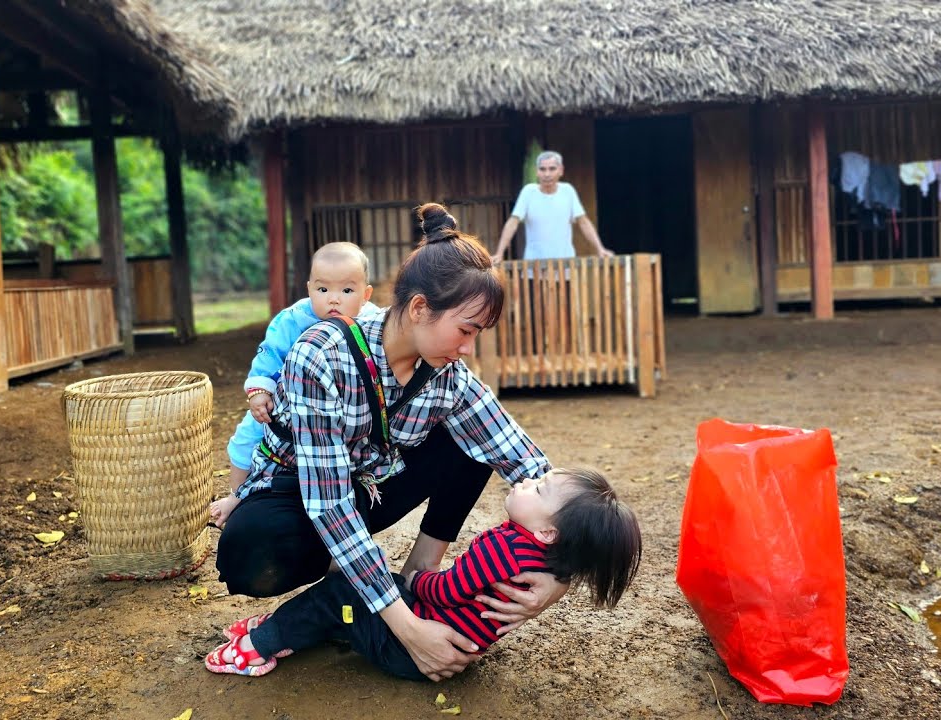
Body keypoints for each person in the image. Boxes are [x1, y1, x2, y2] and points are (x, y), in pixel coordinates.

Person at [214, 203, 570, 682]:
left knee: (473, 439)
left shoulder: (448, 376)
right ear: (420, 308)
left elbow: (528, 463)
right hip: (302, 494)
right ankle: (367, 591)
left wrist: (561, 574)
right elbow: (329, 503)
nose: (468, 348)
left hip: (370, 489)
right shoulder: (321, 355)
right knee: (251, 548)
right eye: (465, 330)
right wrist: (409, 629)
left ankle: (416, 577)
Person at [204, 467, 642, 678]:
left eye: (538, 488)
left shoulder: (505, 550)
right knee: (368, 593)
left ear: (547, 532)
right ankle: (291, 628)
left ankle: (261, 644)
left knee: (342, 592)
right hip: (444, 631)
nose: (526, 481)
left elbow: (447, 591)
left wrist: (417, 580)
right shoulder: (543, 557)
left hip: (416, 647)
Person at [210, 242, 379, 528]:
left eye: (347, 291)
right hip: (287, 408)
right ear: (309, 289)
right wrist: (260, 391)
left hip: (345, 411)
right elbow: (269, 355)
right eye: (322, 289)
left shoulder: (372, 321)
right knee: (246, 436)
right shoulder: (293, 320)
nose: (333, 299)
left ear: (366, 294)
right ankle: (237, 495)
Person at [490, 150, 612, 263]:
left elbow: (583, 222)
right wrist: (500, 253)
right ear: (537, 171)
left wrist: (599, 249)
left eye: (552, 169)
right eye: (542, 169)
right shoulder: (528, 192)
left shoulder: (568, 191)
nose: (547, 174)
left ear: (561, 170)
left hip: (565, 264)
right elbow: (513, 222)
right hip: (534, 265)